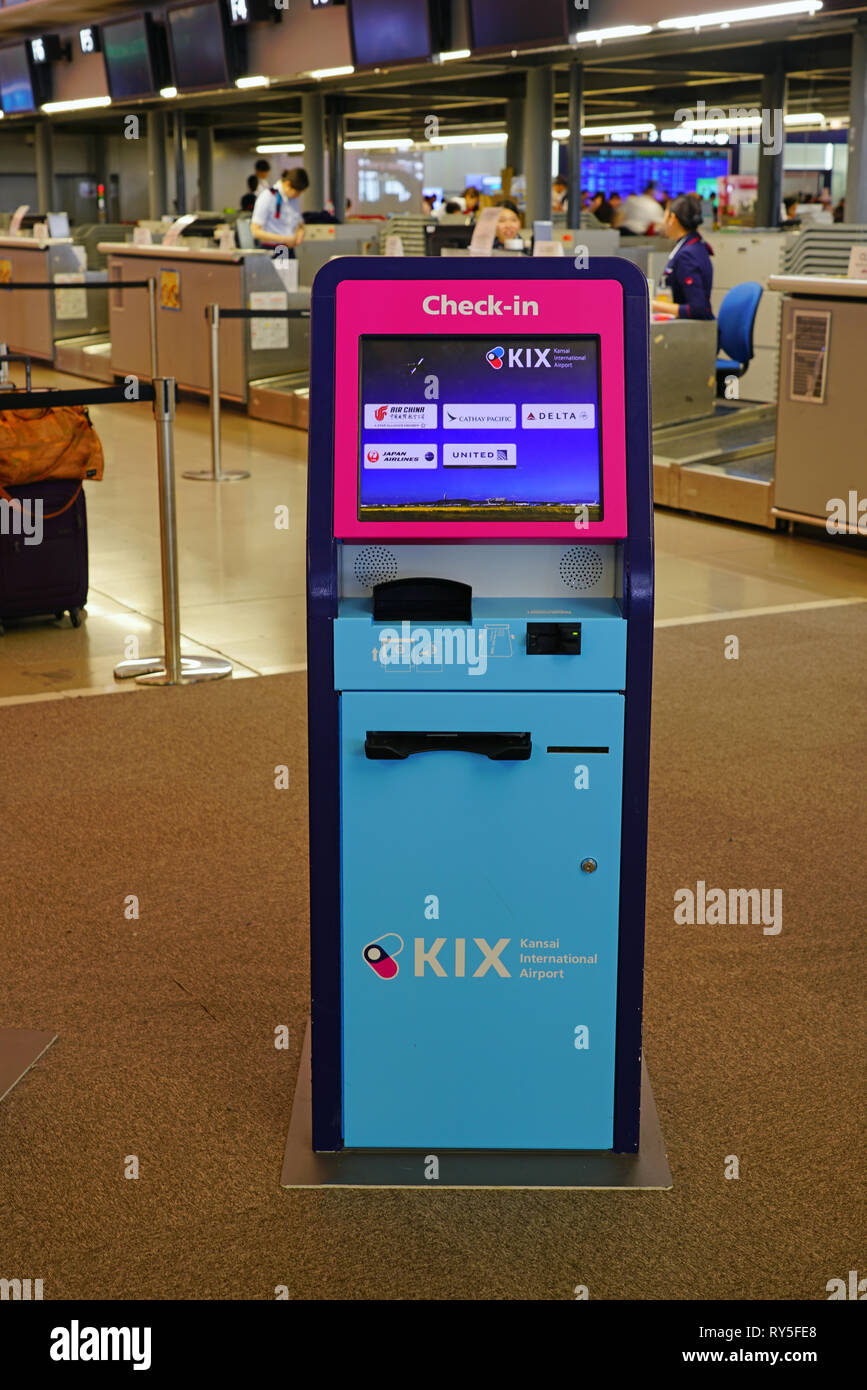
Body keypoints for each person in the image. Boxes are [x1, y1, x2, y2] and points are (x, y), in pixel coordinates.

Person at [651, 192, 714, 321]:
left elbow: (698, 309)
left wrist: (651, 304)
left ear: (672, 219)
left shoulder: (687, 255)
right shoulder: (694, 244)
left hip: (691, 331)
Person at [251, 167, 309, 253]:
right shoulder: (267, 197)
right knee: (282, 266)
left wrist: (300, 233)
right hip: (273, 249)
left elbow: (300, 224)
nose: (298, 196)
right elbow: (255, 231)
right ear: (288, 184)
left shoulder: (293, 200)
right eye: (297, 192)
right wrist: (285, 239)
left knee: (292, 267)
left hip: (289, 249)